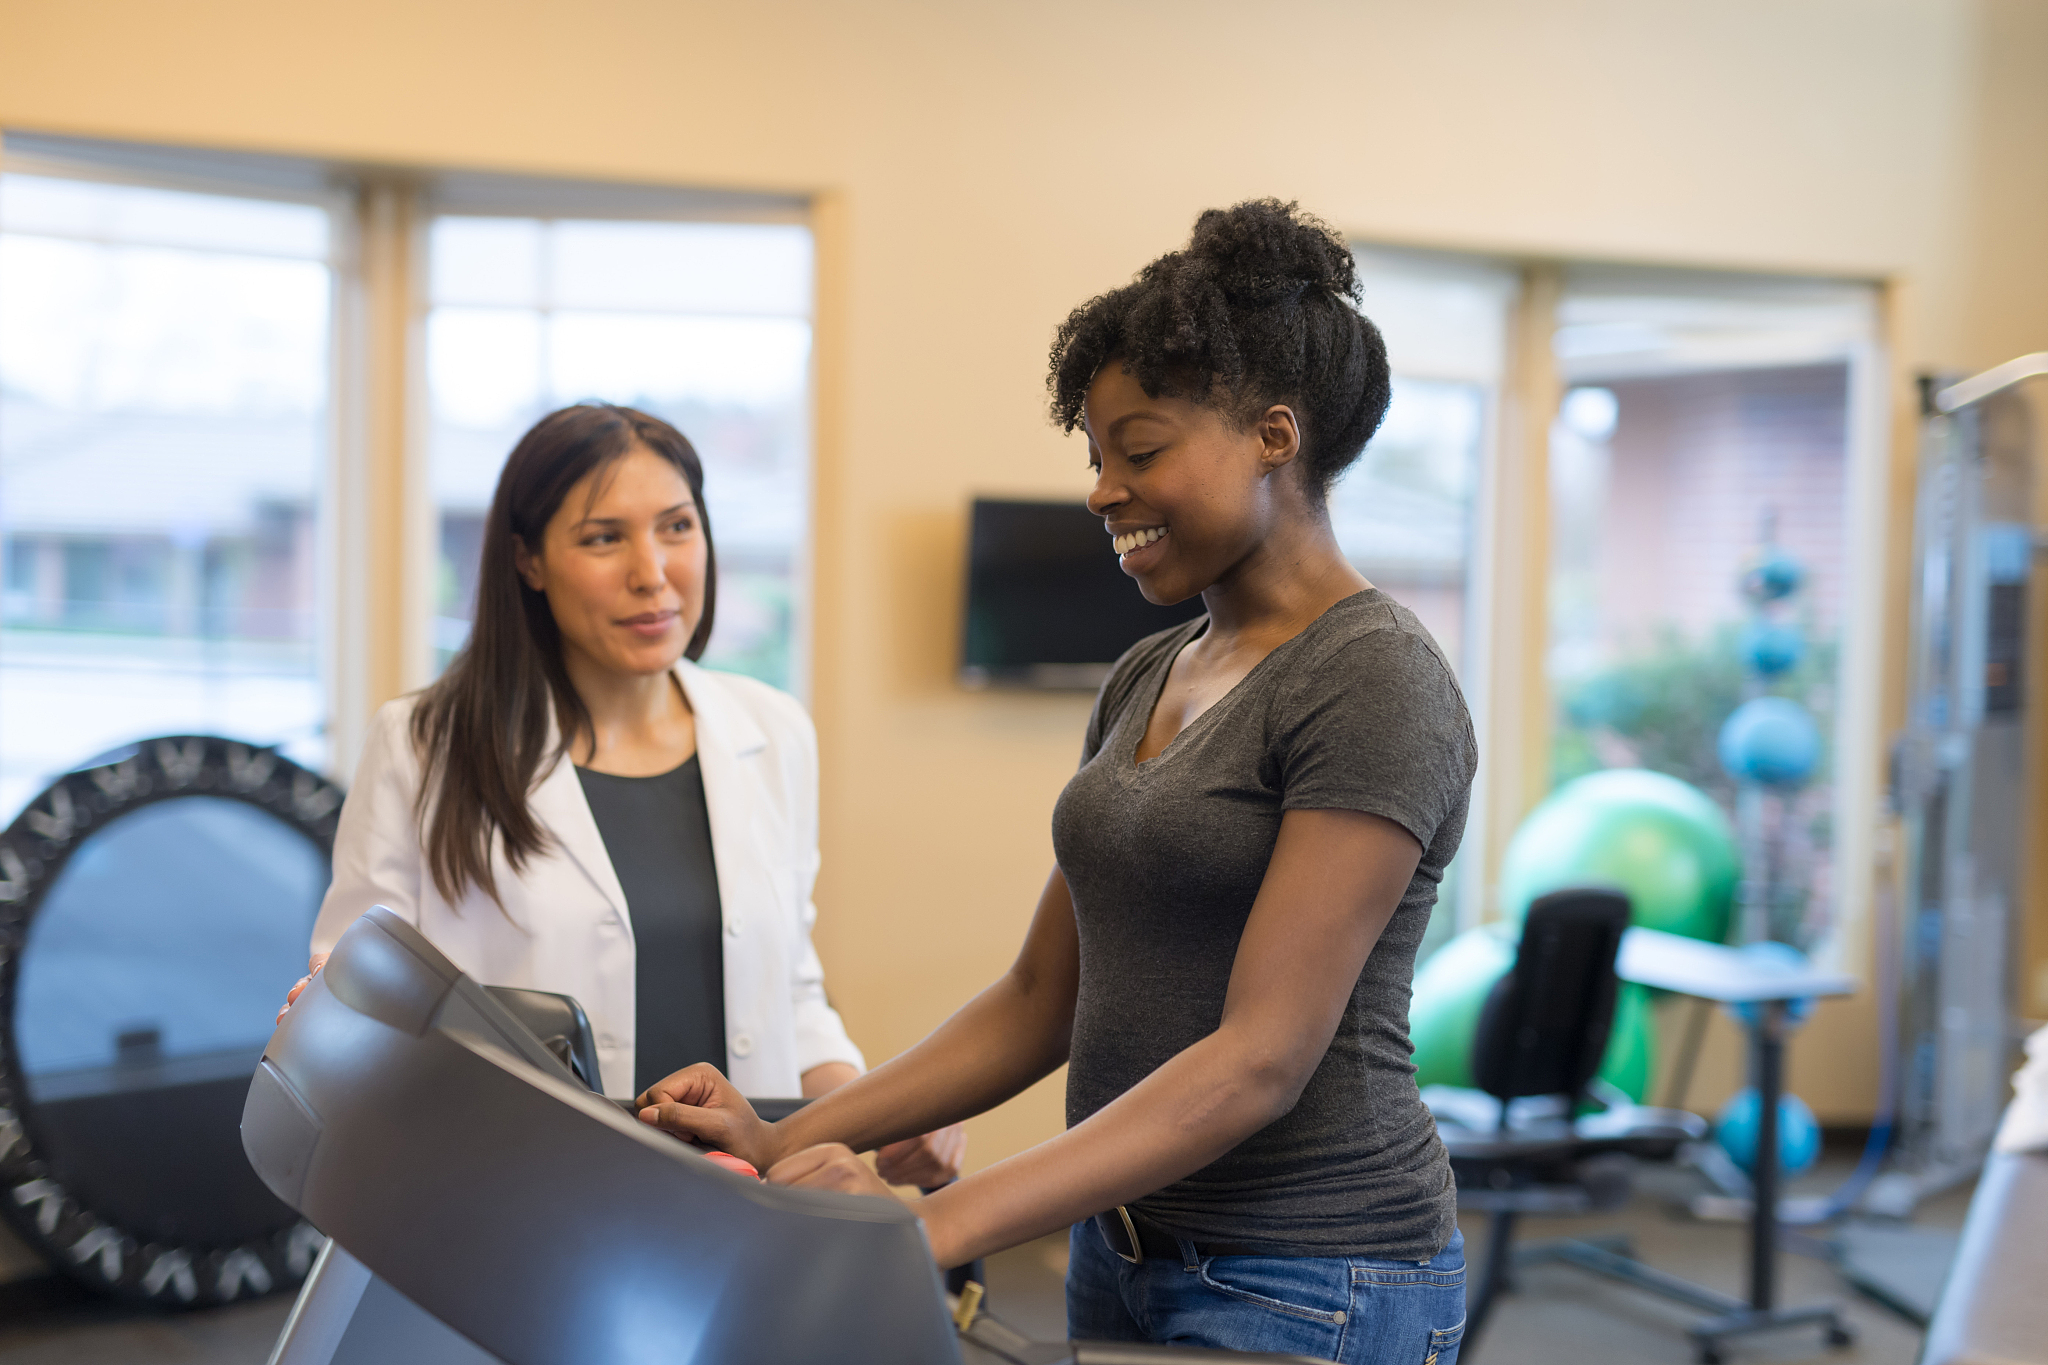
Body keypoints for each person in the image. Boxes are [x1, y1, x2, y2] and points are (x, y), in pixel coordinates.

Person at [637, 201, 1477, 1362]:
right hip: (1121, 1254)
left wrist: (929, 1228)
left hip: (1310, 1273)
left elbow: (1258, 1059)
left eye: (1140, 451)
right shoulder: (1148, 671)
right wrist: (787, 1140)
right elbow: (1040, 995)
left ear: (1274, 436)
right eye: (1095, 457)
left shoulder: (1372, 680)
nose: (1100, 491)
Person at [285, 403, 962, 1189]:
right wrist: (331, 1017)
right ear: (528, 560)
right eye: (603, 537)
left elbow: (793, 992)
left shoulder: (773, 732)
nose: (653, 572)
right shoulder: (424, 743)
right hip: (519, 1198)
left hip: (741, 1200)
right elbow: (358, 989)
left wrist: (876, 1116)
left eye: (677, 527)